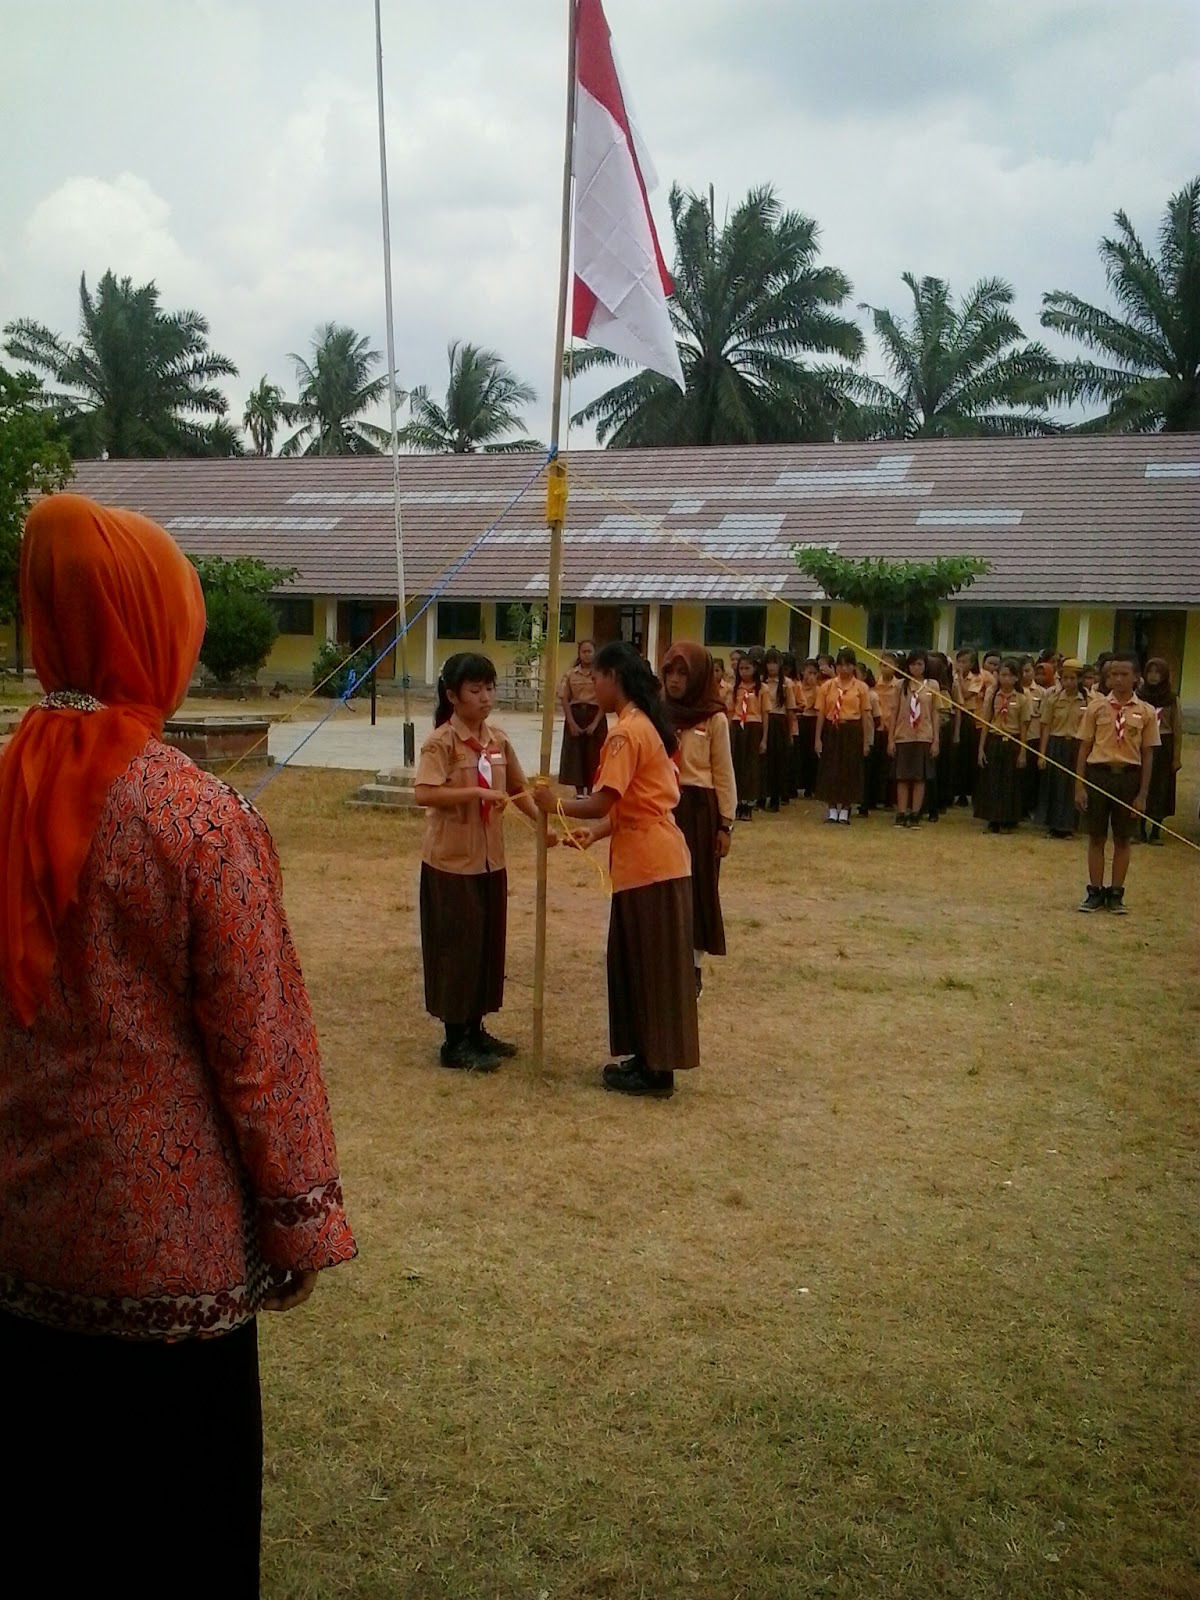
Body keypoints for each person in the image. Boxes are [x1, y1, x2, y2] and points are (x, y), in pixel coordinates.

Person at [0, 493, 356, 1594]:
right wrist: (300, 1221)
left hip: (19, 1256)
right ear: (148, 629)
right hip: (171, 1286)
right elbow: (265, 1051)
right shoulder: (197, 819)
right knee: (171, 1547)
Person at [536, 641, 697, 1099]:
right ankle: (647, 1056)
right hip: (650, 857)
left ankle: (656, 1068)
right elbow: (631, 804)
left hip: (650, 864)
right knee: (641, 963)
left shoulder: (627, 732)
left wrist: (556, 805)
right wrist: (598, 833)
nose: (594, 685)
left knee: (651, 965)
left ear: (613, 678)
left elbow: (605, 798)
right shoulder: (644, 725)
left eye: (599, 677)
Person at [414, 652, 549, 1070]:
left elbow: (520, 788)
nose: (485, 697)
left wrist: (546, 826)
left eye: (489, 688)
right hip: (451, 862)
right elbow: (425, 793)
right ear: (453, 696)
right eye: (476, 690)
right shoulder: (442, 743)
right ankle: (454, 1040)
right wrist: (474, 794)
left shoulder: (498, 741)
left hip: (491, 861)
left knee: (486, 945)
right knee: (458, 947)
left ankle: (477, 1029)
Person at [661, 643, 736, 998]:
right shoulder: (657, 712)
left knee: (698, 887)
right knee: (664, 886)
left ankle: (692, 965)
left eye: (683, 674)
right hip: (664, 806)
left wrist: (725, 824)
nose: (674, 681)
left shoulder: (714, 717)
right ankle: (665, 958)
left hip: (700, 809)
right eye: (670, 673)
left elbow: (723, 773)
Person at [1075, 653, 1159, 912]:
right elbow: (1084, 747)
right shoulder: (1096, 708)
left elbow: (1147, 754)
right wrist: (1079, 785)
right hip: (1099, 774)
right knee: (1096, 837)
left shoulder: (1145, 712)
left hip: (1128, 778)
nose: (1118, 679)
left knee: (1123, 839)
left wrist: (1143, 794)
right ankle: (1095, 891)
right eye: (1113, 674)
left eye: (1124, 674)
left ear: (1136, 678)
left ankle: (1116, 893)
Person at [814, 647, 874, 825]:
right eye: (840, 665)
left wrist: (865, 741)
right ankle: (832, 808)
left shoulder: (861, 687)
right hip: (832, 728)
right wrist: (817, 739)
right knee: (831, 768)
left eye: (848, 665)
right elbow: (821, 713)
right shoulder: (827, 686)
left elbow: (865, 715)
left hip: (852, 729)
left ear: (854, 667)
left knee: (849, 770)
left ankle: (846, 809)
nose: (844, 669)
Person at [975, 657, 1031, 833]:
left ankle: (1008, 819)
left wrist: (1023, 752)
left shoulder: (1022, 698)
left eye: (1009, 675)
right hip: (994, 739)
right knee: (993, 781)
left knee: (1009, 783)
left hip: (1012, 741)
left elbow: (1024, 727)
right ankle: (993, 818)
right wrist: (981, 748)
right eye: (1002, 675)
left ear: (1016, 678)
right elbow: (987, 722)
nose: (1005, 679)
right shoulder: (992, 696)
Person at [888, 648, 940, 827]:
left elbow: (935, 713)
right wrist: (890, 739)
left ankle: (916, 813)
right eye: (913, 664)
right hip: (903, 736)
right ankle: (901, 812)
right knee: (902, 777)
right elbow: (893, 713)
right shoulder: (900, 685)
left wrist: (936, 741)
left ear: (925, 666)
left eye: (920, 664)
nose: (916, 668)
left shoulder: (932, 685)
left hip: (924, 736)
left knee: (919, 777)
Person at [1037, 657, 1087, 837]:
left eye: (1073, 678)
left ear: (1080, 679)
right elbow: (1046, 726)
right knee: (1055, 785)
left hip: (1077, 746)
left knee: (1073, 786)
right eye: (1065, 678)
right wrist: (1042, 754)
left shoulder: (1088, 701)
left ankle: (1070, 826)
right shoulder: (1053, 699)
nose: (1069, 682)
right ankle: (1054, 825)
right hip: (1056, 744)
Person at [1138, 657, 1183, 844]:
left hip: (1164, 745)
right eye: (1150, 672)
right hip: (1143, 744)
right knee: (1141, 784)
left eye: (1158, 673)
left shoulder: (1171, 699)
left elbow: (1177, 729)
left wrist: (1176, 757)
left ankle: (1156, 830)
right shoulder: (1139, 696)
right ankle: (1139, 828)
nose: (1154, 676)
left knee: (1161, 788)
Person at [556, 639, 607, 797]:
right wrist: (571, 722)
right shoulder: (571, 674)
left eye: (589, 651)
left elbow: (605, 699)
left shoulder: (601, 674)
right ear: (579, 654)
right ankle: (579, 791)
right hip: (576, 715)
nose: (586, 655)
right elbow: (564, 698)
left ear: (594, 653)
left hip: (595, 715)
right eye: (583, 651)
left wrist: (595, 723)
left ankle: (592, 790)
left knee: (595, 754)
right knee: (575, 754)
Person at [727, 652, 766, 821]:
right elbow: (730, 711)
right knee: (737, 764)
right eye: (741, 668)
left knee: (751, 766)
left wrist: (764, 738)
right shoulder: (734, 687)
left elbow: (765, 714)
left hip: (754, 726)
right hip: (737, 725)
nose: (743, 671)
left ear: (755, 668)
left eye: (747, 668)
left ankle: (748, 803)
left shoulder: (762, 689)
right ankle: (737, 802)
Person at [759, 647, 794, 812]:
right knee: (761, 762)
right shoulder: (760, 682)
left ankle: (775, 798)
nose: (771, 667)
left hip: (779, 722)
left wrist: (791, 732)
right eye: (769, 663)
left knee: (777, 762)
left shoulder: (787, 684)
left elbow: (790, 710)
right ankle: (760, 797)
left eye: (775, 663)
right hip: (762, 721)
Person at [952, 649, 987, 806]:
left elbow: (966, 695)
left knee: (968, 756)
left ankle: (967, 793)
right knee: (956, 756)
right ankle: (955, 791)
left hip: (970, 717)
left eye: (964, 661)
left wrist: (959, 677)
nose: (961, 665)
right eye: (959, 661)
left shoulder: (977, 678)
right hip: (955, 714)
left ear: (972, 663)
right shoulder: (952, 676)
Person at [871, 652, 901, 811]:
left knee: (890, 766)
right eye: (883, 665)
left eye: (889, 664)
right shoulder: (875, 683)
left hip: (892, 729)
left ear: (896, 667)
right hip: (877, 727)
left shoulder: (899, 685)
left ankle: (890, 799)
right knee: (875, 764)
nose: (886, 668)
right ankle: (874, 797)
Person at [1019, 656, 1046, 819]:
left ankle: (1030, 807)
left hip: (1034, 736)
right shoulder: (1015, 691)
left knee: (1031, 777)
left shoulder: (1042, 692)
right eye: (1021, 671)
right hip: (1018, 736)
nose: (1024, 674)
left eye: (1027, 670)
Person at [795, 658, 821, 798]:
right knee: (797, 755)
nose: (811, 676)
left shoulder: (819, 690)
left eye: (814, 673)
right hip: (798, 720)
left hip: (812, 721)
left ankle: (810, 787)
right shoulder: (796, 686)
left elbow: (818, 708)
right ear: (803, 671)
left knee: (811, 755)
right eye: (809, 672)